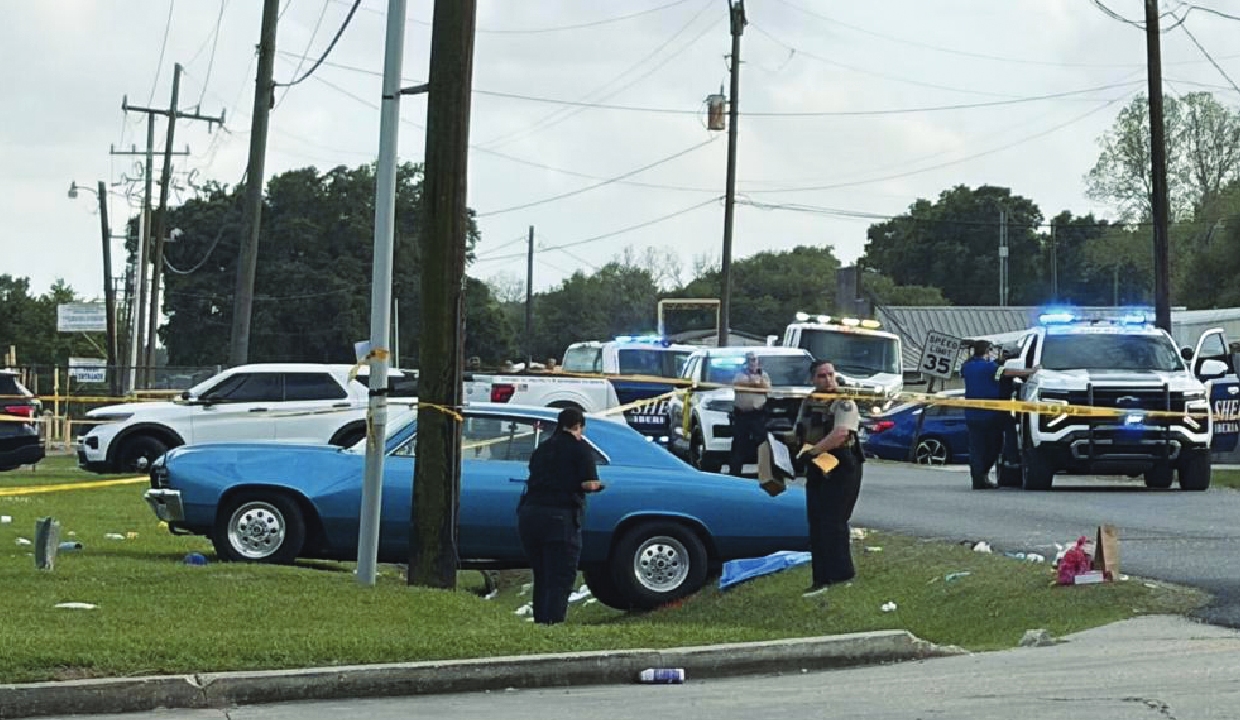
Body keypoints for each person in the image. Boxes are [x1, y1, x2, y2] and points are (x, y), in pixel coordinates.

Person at [516, 406, 604, 624]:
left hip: (530, 516)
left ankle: (540, 623)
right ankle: (553, 624)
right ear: (578, 426)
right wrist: (599, 486)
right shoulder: (579, 448)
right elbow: (588, 484)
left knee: (542, 575)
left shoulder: (543, 448)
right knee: (560, 577)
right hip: (561, 518)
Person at [789, 360, 865, 598]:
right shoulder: (809, 401)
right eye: (822, 376)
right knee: (817, 522)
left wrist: (813, 451)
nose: (828, 380)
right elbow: (797, 432)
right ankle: (820, 578)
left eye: (831, 375)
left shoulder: (843, 401)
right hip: (816, 464)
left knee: (834, 521)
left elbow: (841, 433)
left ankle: (842, 576)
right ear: (813, 379)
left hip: (841, 463)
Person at [729, 351, 772, 477]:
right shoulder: (738, 374)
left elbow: (766, 387)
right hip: (741, 415)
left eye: (754, 360)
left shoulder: (764, 375)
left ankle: (765, 473)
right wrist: (755, 384)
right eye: (750, 360)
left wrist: (753, 384)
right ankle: (735, 473)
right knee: (739, 444)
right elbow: (738, 385)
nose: (752, 362)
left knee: (762, 444)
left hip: (758, 415)